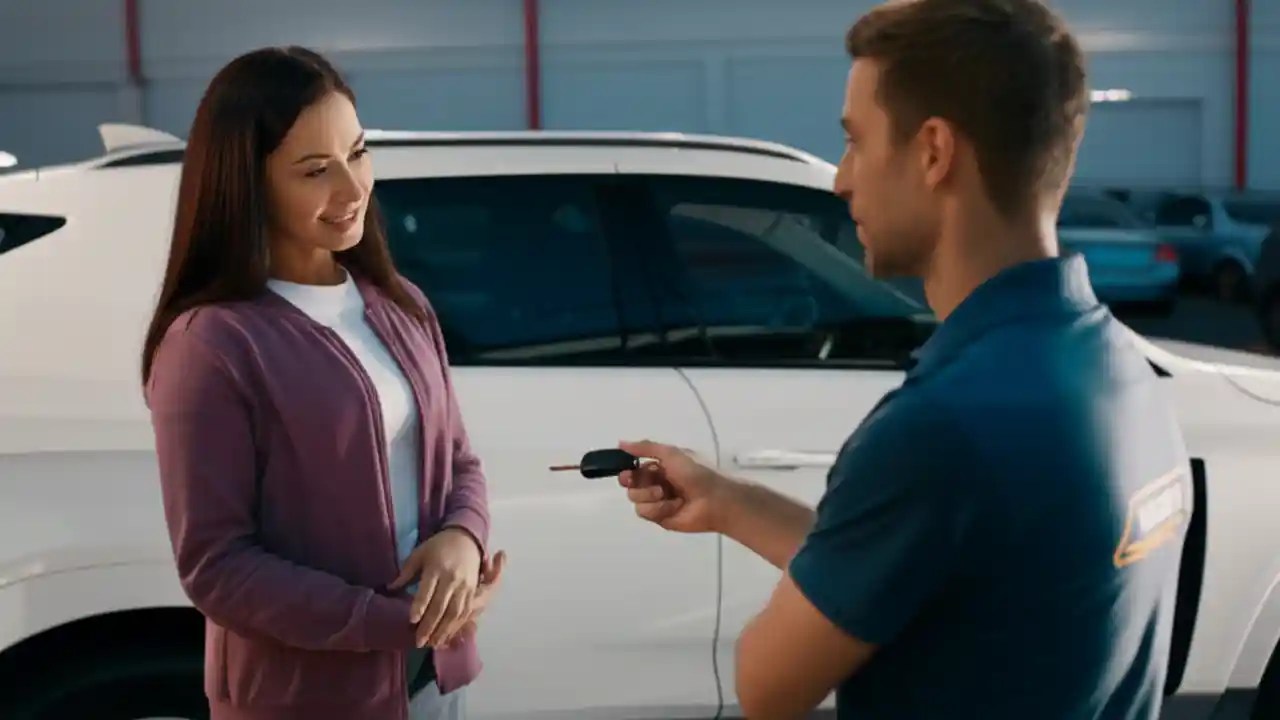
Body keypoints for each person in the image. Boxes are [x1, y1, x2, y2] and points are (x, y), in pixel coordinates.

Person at [618, 1, 1193, 718]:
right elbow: (916, 571)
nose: (841, 180)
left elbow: (767, 685)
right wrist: (730, 503)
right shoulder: (1112, 367)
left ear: (932, 151)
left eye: (856, 142)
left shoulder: (946, 424)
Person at [141, 46, 505, 720]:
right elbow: (217, 567)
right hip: (303, 698)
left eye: (358, 153)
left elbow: (458, 460)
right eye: (315, 170)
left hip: (435, 677)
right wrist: (392, 623)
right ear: (248, 184)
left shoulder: (401, 304)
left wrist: (464, 541)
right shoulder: (213, 344)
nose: (351, 188)